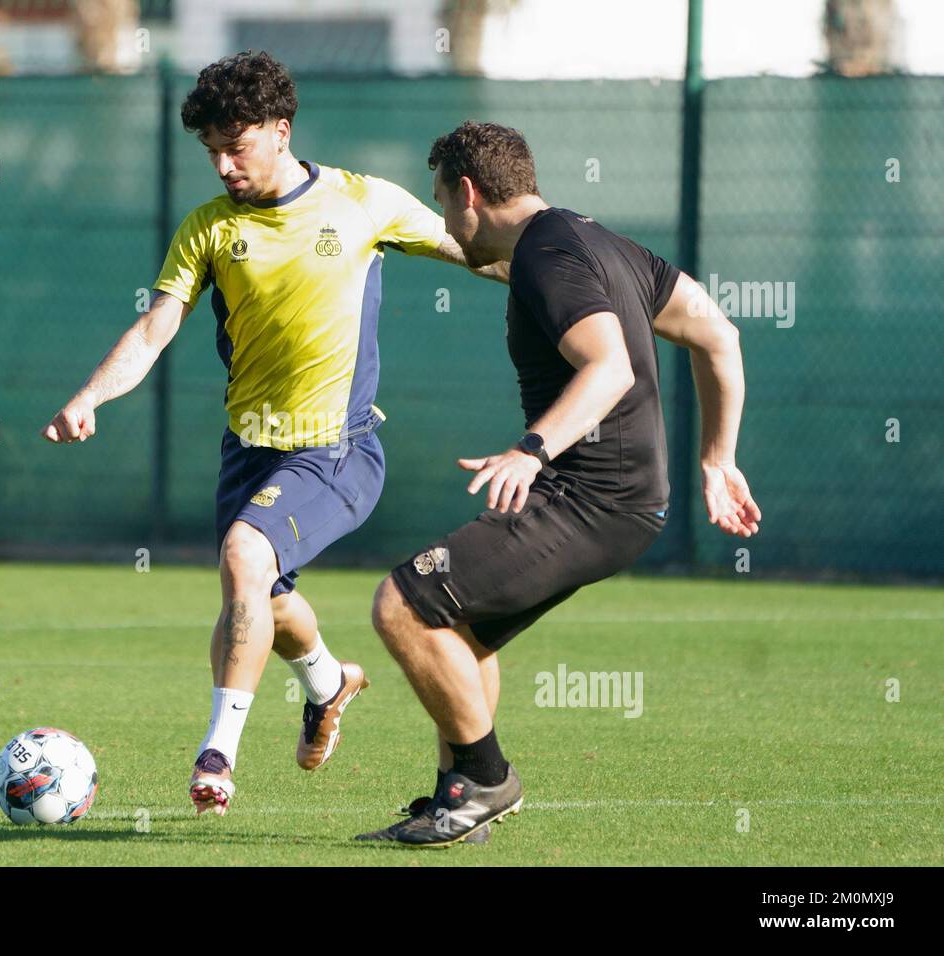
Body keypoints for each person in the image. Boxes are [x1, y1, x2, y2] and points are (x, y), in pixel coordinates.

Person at [40, 55, 507, 817]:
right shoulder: (209, 229)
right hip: (248, 450)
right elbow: (157, 329)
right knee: (267, 597)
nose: (223, 165)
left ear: (280, 130)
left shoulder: (362, 202)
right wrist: (91, 395)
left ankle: (216, 753)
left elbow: (482, 252)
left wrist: (576, 279)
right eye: (211, 152)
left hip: (338, 448)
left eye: (237, 146)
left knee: (243, 560)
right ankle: (328, 684)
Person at [356, 121, 761, 847]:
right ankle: (459, 802)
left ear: (470, 192)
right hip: (628, 503)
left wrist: (533, 450)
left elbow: (610, 367)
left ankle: (485, 778)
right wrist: (717, 457)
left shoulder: (548, 258)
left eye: (443, 202)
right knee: (460, 632)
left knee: (403, 606)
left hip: (590, 500)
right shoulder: (591, 240)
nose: (447, 219)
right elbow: (719, 335)